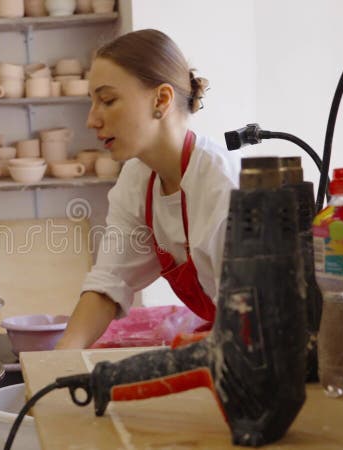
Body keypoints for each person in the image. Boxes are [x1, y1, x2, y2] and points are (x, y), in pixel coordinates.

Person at [55, 29, 238, 350]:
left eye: (108, 100)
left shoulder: (220, 184)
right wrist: (59, 358)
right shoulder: (139, 178)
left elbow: (244, 319)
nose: (92, 120)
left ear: (161, 100)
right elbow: (109, 281)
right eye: (93, 102)